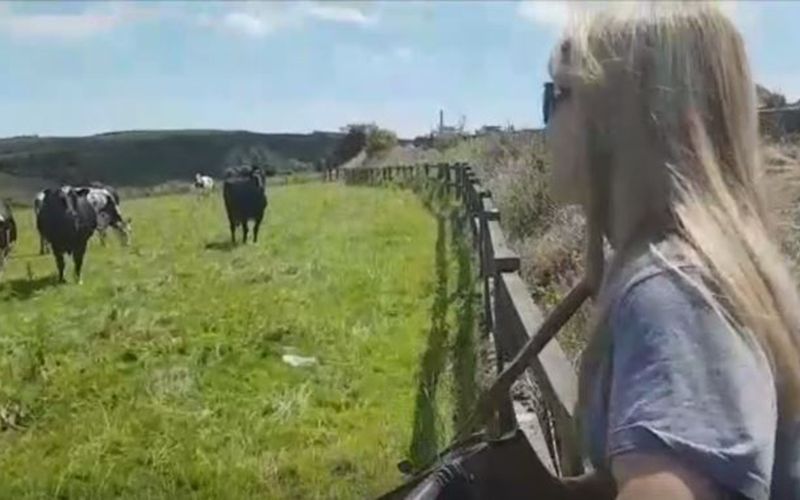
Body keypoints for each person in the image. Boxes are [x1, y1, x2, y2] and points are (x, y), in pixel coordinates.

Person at [540, 3, 800, 499]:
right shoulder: (706, 269)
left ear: (619, 117)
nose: (547, 123)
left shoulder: (672, 294)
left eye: (558, 95)